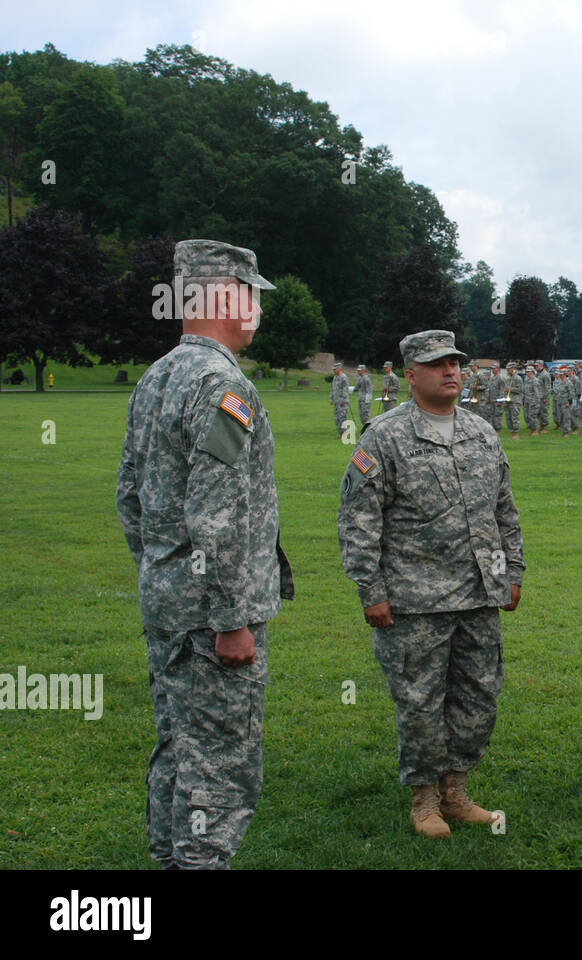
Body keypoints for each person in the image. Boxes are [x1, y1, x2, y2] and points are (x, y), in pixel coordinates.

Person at [116, 238, 293, 869]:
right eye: (253, 297)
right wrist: (230, 618)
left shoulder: (158, 375)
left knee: (178, 747)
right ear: (227, 296)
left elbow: (129, 497)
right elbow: (215, 513)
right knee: (220, 767)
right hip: (212, 619)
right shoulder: (221, 383)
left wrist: (161, 573)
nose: (258, 312)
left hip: (169, 604)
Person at [338, 329, 524, 839]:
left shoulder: (481, 431)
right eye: (438, 364)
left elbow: (504, 508)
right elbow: (359, 519)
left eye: (456, 363)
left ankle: (456, 789)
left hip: (479, 592)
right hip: (414, 598)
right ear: (410, 374)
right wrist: (370, 589)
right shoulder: (385, 436)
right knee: (420, 701)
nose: (451, 372)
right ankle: (424, 798)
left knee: (478, 694)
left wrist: (514, 571)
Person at [502, 362, 524, 439]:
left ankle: (516, 432)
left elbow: (520, 389)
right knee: (508, 417)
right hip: (507, 400)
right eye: (507, 369)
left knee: (514, 417)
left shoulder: (518, 378)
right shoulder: (507, 378)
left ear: (513, 369)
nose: (507, 371)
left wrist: (510, 389)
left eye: (509, 369)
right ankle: (511, 431)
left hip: (515, 400)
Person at [330, 361, 350, 438]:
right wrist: (331, 399)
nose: (333, 370)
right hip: (336, 401)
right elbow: (333, 388)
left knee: (342, 418)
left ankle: (344, 433)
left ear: (339, 369)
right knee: (337, 418)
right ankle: (340, 433)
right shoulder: (335, 377)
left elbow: (345, 390)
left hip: (342, 402)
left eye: (335, 369)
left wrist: (343, 400)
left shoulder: (344, 377)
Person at [523, 366, 542, 435]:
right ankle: (532, 429)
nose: (527, 373)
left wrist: (534, 402)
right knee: (527, 416)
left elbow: (537, 393)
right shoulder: (527, 380)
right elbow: (525, 391)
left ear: (532, 372)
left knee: (532, 416)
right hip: (527, 401)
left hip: (533, 402)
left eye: (528, 372)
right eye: (526, 372)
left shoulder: (535, 381)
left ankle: (535, 430)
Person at [355, 363, 373, 432]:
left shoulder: (366, 379)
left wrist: (367, 401)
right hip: (360, 399)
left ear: (363, 370)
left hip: (365, 400)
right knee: (361, 416)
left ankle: (369, 429)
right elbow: (356, 388)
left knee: (365, 416)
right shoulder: (360, 378)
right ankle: (366, 429)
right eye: (358, 370)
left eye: (359, 370)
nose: (358, 371)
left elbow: (369, 390)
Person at [535, 362, 553, 431]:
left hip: (544, 397)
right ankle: (541, 425)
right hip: (538, 396)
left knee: (544, 412)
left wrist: (546, 397)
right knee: (539, 412)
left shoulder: (545, 374)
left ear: (541, 365)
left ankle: (545, 427)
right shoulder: (537, 374)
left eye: (537, 365)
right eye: (536, 366)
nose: (536, 367)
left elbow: (548, 387)